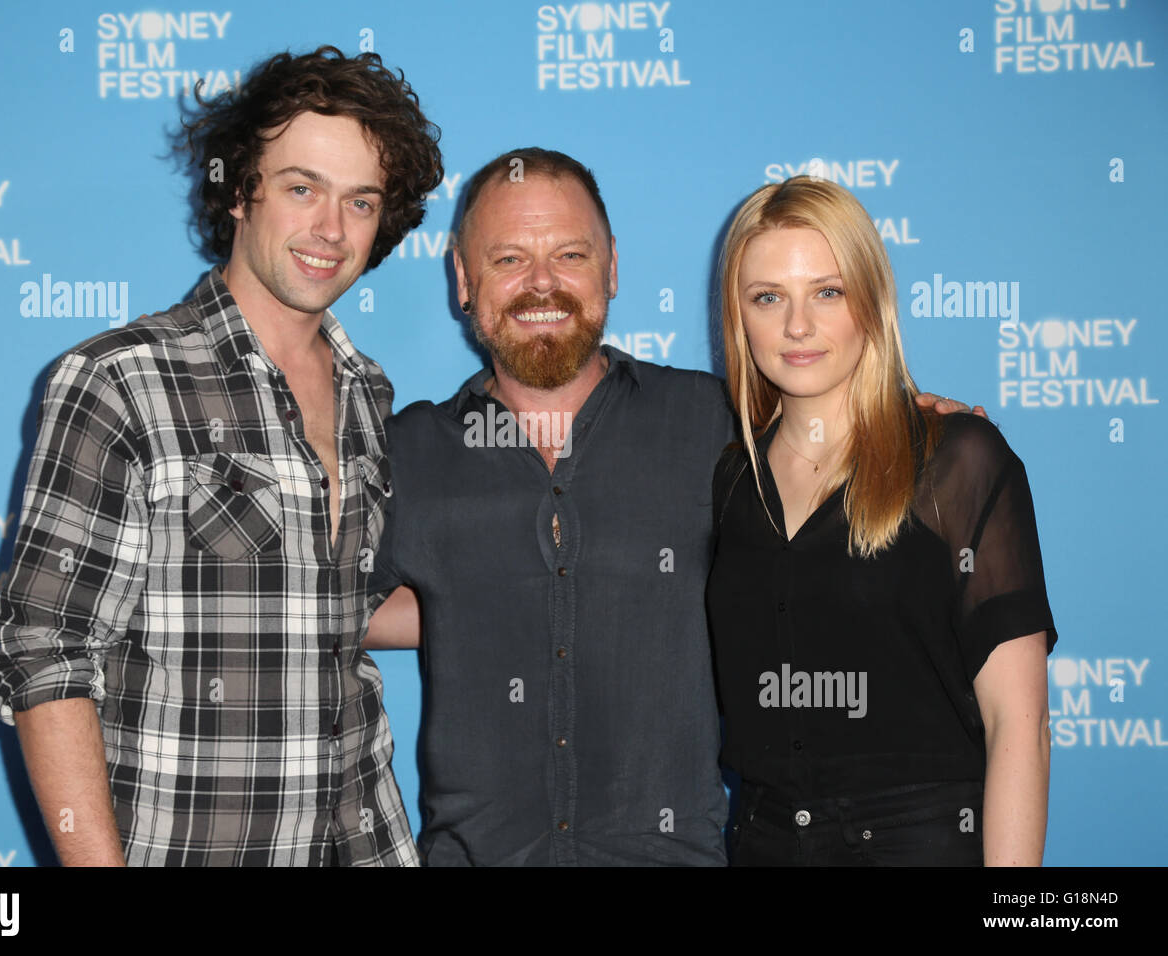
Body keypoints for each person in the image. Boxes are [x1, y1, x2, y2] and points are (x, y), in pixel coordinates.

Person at [363, 149, 976, 866]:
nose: (541, 284)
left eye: (569, 253)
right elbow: (312, 607)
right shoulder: (403, 454)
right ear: (464, 280)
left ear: (613, 268)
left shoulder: (722, 426)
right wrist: (467, 607)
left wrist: (915, 422)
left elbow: (836, 512)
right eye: (507, 259)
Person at [0, 46, 443, 866]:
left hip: (364, 842)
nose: (330, 230)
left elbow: (339, 610)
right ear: (240, 191)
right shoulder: (121, 380)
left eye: (360, 202)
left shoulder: (370, 393)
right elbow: (44, 651)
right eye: (302, 188)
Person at [707, 176, 1055, 866]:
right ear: (738, 316)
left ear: (871, 300)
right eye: (768, 297)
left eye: (827, 292)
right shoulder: (730, 481)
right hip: (761, 841)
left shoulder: (958, 460)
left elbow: (1020, 724)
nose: (796, 325)